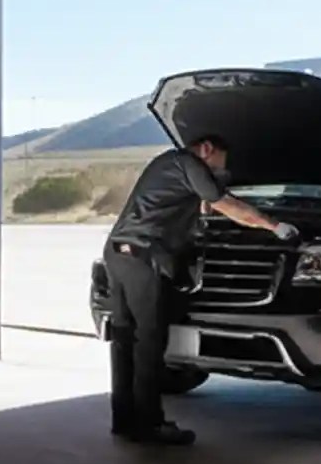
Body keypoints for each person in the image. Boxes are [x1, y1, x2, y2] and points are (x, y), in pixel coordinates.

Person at [105, 134, 298, 446]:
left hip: (117, 253)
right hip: (144, 258)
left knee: (124, 340)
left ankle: (124, 420)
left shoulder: (167, 163)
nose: (223, 170)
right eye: (221, 162)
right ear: (207, 149)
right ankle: (150, 425)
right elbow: (229, 207)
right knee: (149, 343)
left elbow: (198, 205)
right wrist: (274, 226)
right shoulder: (190, 163)